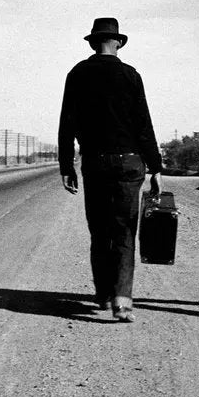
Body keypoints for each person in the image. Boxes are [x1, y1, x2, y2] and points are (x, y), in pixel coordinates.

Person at [58, 17, 163, 322]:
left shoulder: (78, 73)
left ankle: (103, 293)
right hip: (130, 161)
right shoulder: (131, 75)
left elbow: (67, 123)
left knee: (99, 229)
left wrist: (67, 165)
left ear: (93, 43)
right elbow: (144, 124)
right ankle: (122, 298)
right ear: (118, 42)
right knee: (124, 230)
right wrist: (155, 166)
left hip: (95, 162)